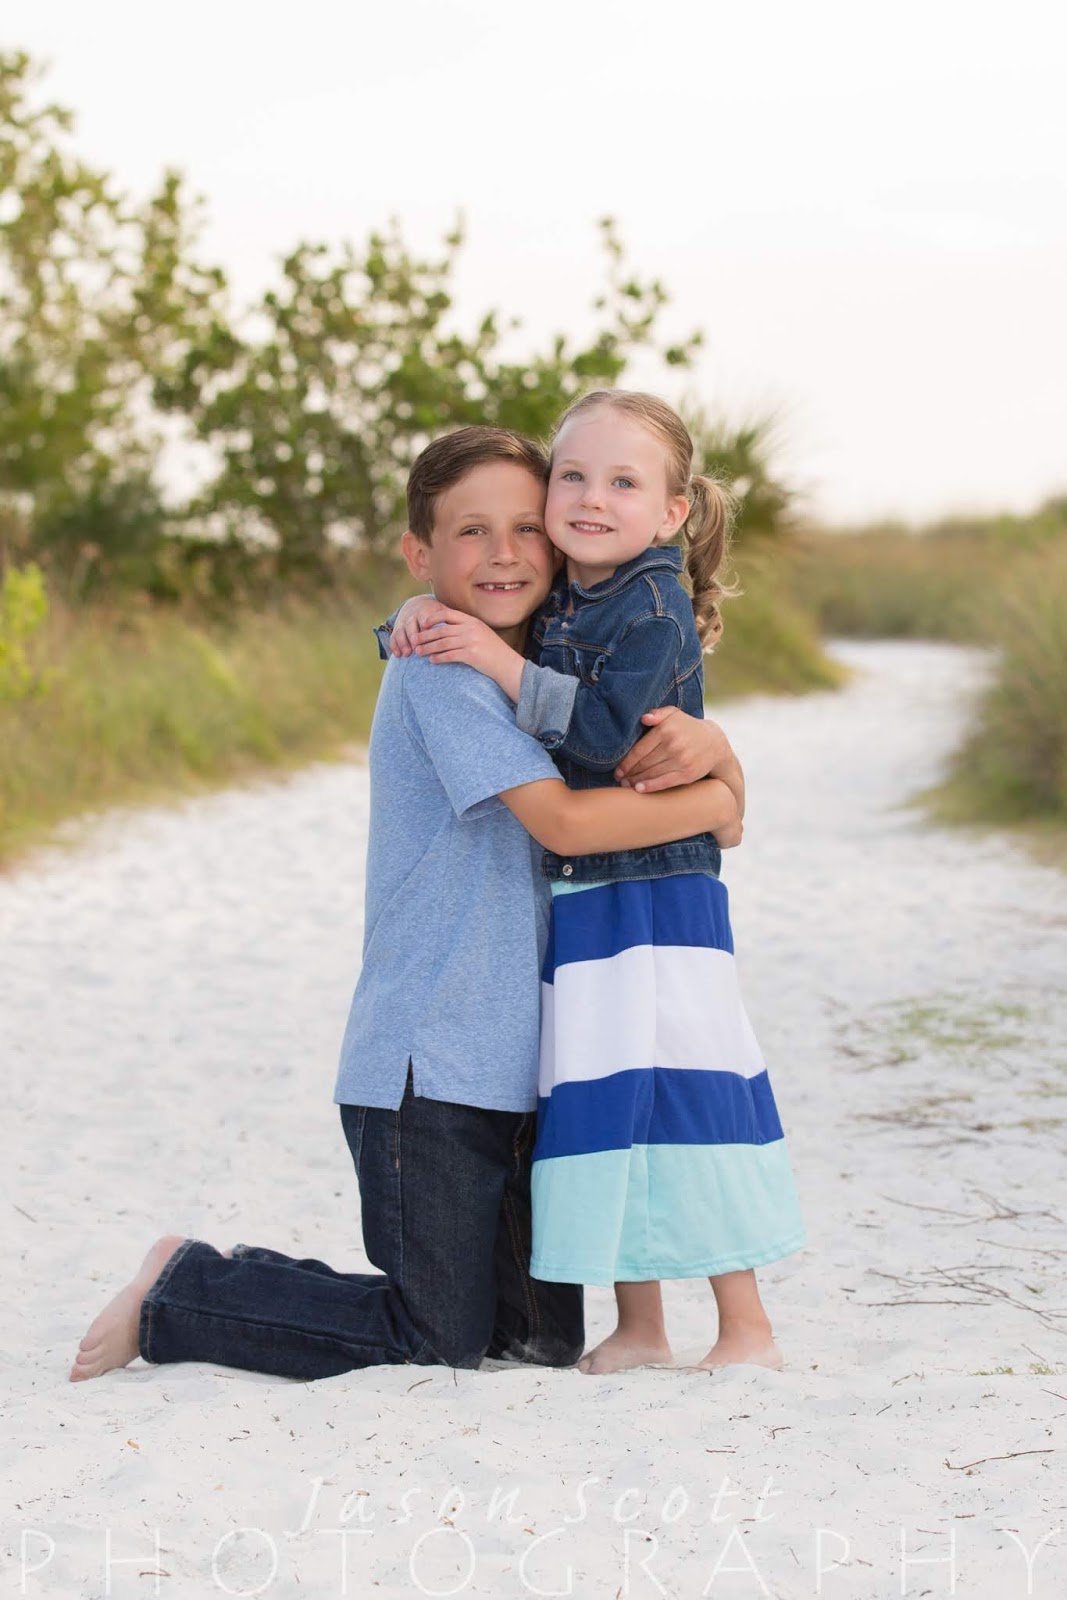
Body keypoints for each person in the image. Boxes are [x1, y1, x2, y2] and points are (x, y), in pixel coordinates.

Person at [69, 425, 743, 1384]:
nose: (503, 554)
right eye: (470, 533)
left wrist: (719, 760)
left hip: (531, 1066)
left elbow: (625, 761)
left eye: (524, 527)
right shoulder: (444, 674)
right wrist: (723, 799)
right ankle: (184, 1291)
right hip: (429, 1070)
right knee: (435, 1339)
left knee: (537, 1343)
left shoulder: (548, 675)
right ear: (421, 557)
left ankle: (231, 1280)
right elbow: (561, 821)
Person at [390, 392, 806, 1375]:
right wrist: (417, 610)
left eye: (621, 482)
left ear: (670, 512)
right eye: (570, 478)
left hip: (658, 895)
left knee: (681, 1086)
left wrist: (718, 778)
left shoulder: (650, 604)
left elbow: (605, 734)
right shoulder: (567, 594)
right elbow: (476, 622)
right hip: (590, 893)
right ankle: (644, 1325)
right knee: (602, 1090)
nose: (587, 498)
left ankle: (745, 1326)